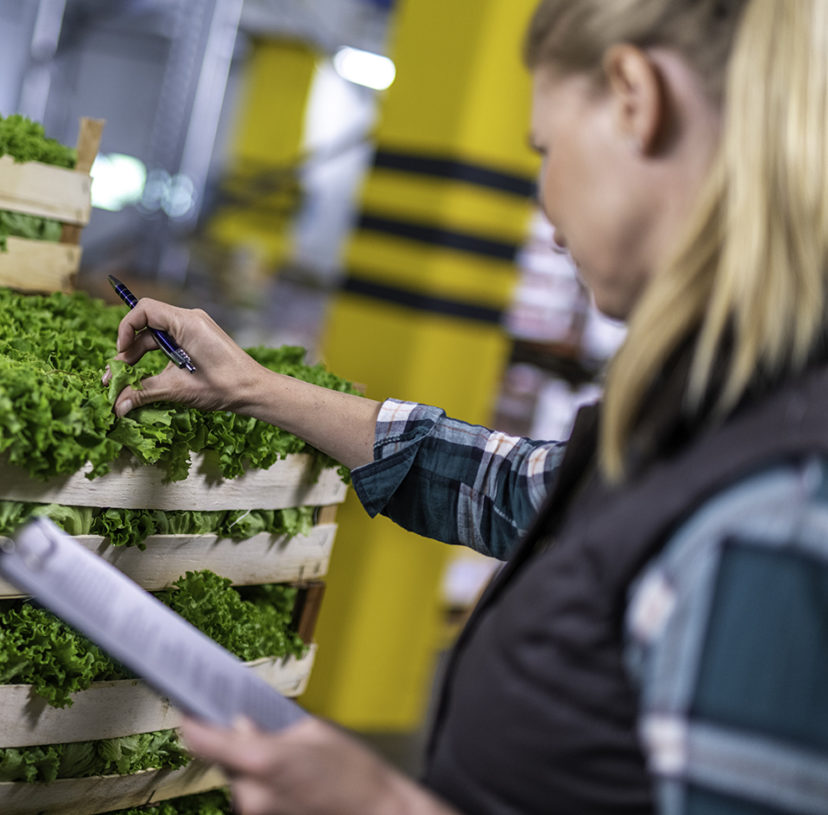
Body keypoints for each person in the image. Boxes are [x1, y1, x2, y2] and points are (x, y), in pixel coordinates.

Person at [105, 0, 828, 812]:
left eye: (544, 151)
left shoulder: (780, 506)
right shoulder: (715, 410)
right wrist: (253, 387)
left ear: (635, 99)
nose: (548, 221)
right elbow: (517, 488)